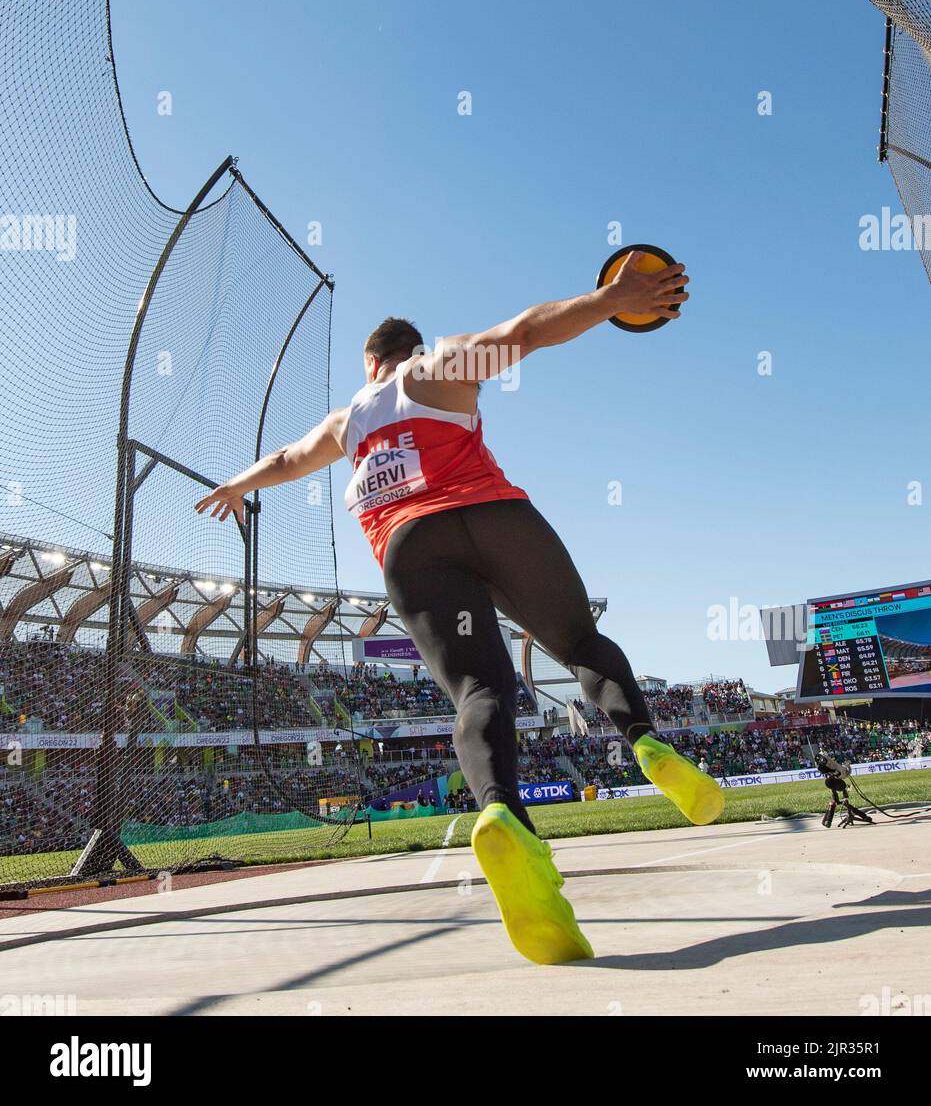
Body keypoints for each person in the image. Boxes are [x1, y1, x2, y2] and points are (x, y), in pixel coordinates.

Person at [195, 250, 722, 964]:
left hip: (412, 551)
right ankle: (647, 743)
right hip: (496, 518)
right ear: (406, 354)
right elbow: (527, 330)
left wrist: (237, 483)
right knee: (577, 643)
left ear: (369, 361)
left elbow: (289, 458)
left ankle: (502, 812)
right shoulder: (431, 370)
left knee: (480, 689)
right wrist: (612, 299)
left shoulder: (346, 421)